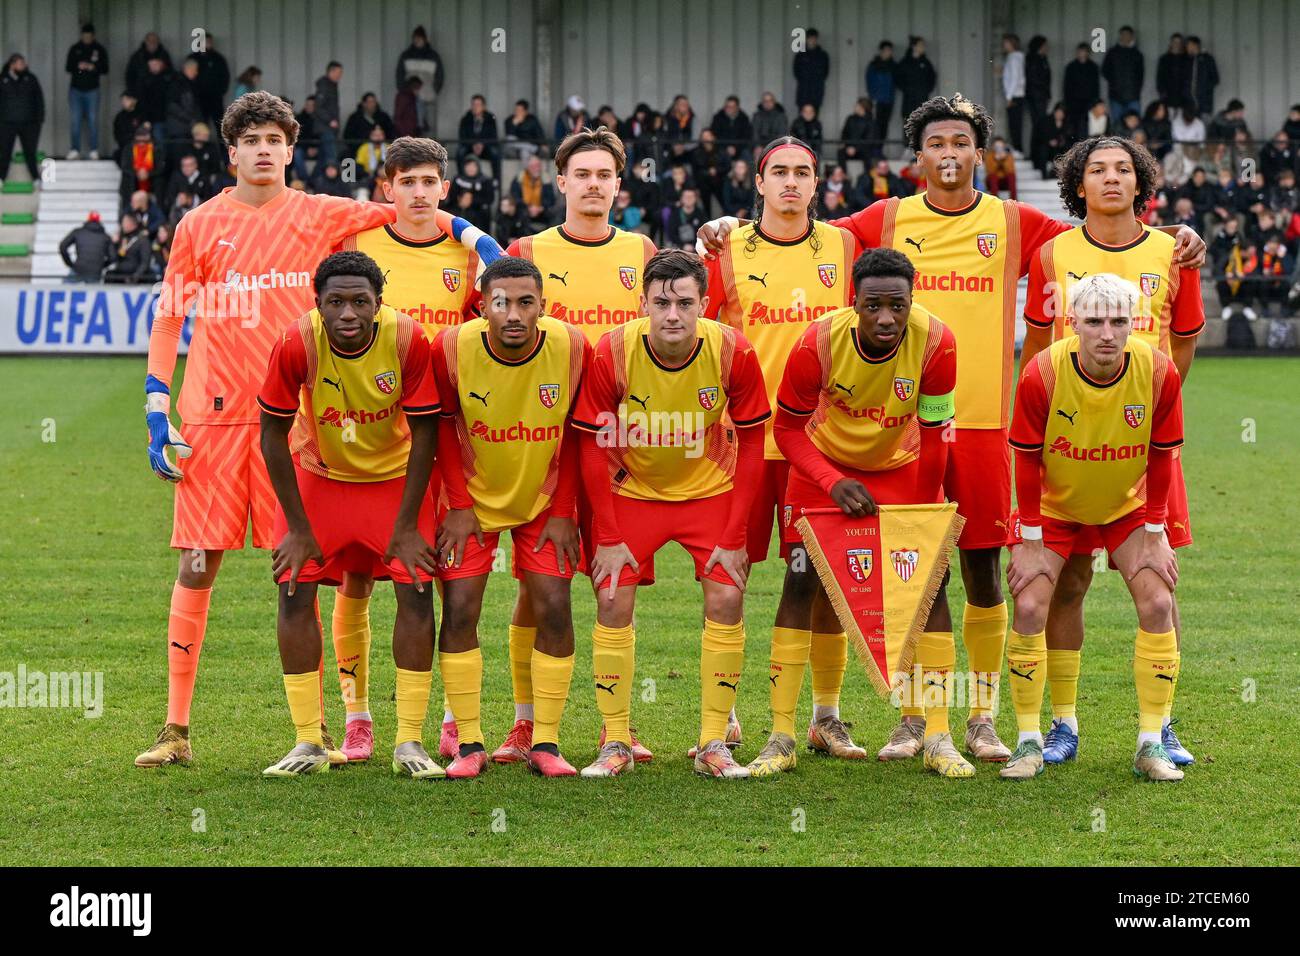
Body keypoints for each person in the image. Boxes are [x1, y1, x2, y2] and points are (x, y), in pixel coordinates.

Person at [696, 93, 1205, 768]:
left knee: (985, 574)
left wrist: (1179, 245)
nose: (949, 154)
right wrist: (729, 227)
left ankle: (983, 719)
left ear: (979, 153)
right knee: (915, 572)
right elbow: (801, 234)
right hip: (908, 431)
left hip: (997, 428)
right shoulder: (884, 219)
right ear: (920, 154)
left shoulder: (1017, 222)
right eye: (936, 143)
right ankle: (914, 718)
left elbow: (1103, 241)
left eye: (961, 143)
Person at [133, 90, 398, 769]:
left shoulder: (321, 214)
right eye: (250, 139)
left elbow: (414, 215)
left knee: (301, 575)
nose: (263, 149)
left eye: (274, 139)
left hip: (296, 427)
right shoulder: (198, 225)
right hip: (211, 423)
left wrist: (482, 242)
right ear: (232, 152)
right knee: (197, 566)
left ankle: (316, 735)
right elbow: (168, 319)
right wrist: (156, 405)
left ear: (290, 149)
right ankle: (176, 731)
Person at [1021, 136, 1204, 767]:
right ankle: (1062, 725)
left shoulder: (1174, 249)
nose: (1110, 179)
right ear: (1077, 184)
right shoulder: (1052, 254)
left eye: (1123, 169)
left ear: (1140, 181)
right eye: (1097, 170)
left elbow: (1182, 342)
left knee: (1158, 583)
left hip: (1139, 437)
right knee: (1067, 581)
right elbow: (1037, 350)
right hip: (1069, 439)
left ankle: (1164, 725)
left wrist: (1151, 400)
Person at [573, 249, 770, 777]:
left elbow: (753, 445)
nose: (673, 315)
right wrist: (608, 536)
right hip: (632, 491)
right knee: (612, 599)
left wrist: (735, 534)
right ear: (643, 304)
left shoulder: (733, 350)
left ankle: (713, 742)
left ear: (705, 303)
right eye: (661, 303)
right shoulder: (612, 351)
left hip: (710, 489)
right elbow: (590, 445)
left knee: (727, 595)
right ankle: (615, 743)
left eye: (685, 302)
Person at [774, 246, 966, 775]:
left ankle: (935, 733)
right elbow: (786, 430)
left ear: (912, 301)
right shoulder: (816, 342)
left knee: (929, 586)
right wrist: (831, 482)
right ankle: (789, 732)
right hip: (823, 470)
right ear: (853, 302)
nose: (887, 318)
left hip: (903, 467)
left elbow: (935, 435)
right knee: (801, 581)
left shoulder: (938, 343)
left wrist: (927, 515)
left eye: (898, 306)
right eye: (874, 305)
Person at [700, 136, 860, 773]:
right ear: (759, 183)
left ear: (816, 184)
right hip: (741, 443)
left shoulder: (845, 248)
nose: (791, 183)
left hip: (818, 446)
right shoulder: (725, 247)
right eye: (779, 173)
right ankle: (726, 711)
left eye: (803, 173)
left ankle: (825, 714)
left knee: (817, 576)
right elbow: (702, 338)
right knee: (728, 575)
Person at [500, 127, 658, 764]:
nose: (594, 184)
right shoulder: (527, 249)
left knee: (614, 581)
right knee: (537, 590)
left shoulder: (641, 250)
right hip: (543, 444)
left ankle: (615, 727)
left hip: (619, 445)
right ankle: (523, 723)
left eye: (604, 175)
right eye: (582, 174)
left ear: (619, 185)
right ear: (560, 182)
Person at [257, 251, 442, 777]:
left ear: (379, 303)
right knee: (293, 586)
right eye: (334, 302)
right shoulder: (297, 340)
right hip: (323, 477)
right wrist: (296, 526)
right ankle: (308, 742)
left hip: (393, 481)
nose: (347, 314)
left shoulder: (408, 339)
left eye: (360, 301)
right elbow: (271, 431)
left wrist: (407, 526)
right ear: (317, 304)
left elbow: (427, 431)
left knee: (416, 587)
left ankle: (410, 742)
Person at [1004, 272, 1186, 782]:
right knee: (1030, 603)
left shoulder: (1157, 372)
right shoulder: (1041, 373)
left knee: (1158, 601)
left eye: (1119, 321)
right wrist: (1031, 541)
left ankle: (1153, 742)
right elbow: (1025, 460)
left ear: (1133, 325)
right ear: (1073, 323)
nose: (1107, 332)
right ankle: (1032, 739)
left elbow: (1163, 455)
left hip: (1126, 507)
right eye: (1095, 321)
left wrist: (1155, 531)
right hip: (1054, 508)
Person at [430, 255, 590, 778]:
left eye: (526, 302)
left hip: (543, 501)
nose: (514, 313)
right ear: (482, 306)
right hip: (470, 501)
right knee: (459, 609)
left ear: (544, 306)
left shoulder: (570, 347)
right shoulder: (452, 347)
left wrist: (564, 510)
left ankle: (544, 740)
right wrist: (457, 504)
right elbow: (443, 426)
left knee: (555, 605)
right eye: (501, 303)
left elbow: (576, 432)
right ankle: (470, 742)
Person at [65, 22, 108, 160]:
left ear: (93, 36)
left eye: (89, 36)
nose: (87, 38)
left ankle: (94, 149)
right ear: (81, 35)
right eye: (84, 36)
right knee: (75, 120)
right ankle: (75, 149)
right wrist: (79, 66)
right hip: (76, 90)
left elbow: (105, 69)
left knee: (92, 120)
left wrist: (92, 67)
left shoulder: (99, 49)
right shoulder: (75, 48)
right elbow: (68, 67)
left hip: (92, 90)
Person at [0, 54, 44, 185]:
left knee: (30, 152)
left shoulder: (31, 79)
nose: (23, 65)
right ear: (12, 64)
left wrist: (39, 119)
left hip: (29, 123)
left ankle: (36, 178)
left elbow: (39, 100)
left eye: (24, 63)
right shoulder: (2, 79)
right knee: (5, 152)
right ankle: (1, 177)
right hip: (7, 123)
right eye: (20, 63)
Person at [393, 26, 443, 135]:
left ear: (425, 39)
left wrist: (434, 91)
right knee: (410, 129)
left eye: (419, 38)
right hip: (410, 99)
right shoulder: (406, 55)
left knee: (428, 130)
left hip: (427, 97)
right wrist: (404, 91)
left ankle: (430, 151)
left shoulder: (433, 56)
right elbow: (399, 74)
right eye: (415, 38)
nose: (417, 41)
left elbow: (440, 76)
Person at [1102, 26, 1144, 129]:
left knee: (1135, 125)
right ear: (1120, 36)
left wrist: (1135, 90)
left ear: (1131, 37)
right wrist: (1115, 83)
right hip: (1115, 96)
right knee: (1117, 125)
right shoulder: (1112, 52)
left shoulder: (1137, 54)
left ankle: (1132, 145)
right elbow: (1105, 70)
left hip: (1133, 96)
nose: (1125, 37)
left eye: (1127, 35)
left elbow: (1140, 75)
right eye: (1123, 35)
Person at [457, 94, 500, 182]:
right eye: (473, 104)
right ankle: (461, 178)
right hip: (470, 147)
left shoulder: (490, 118)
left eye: (478, 105)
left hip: (485, 147)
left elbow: (493, 136)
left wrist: (482, 144)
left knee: (495, 153)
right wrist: (473, 144)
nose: (475, 107)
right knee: (460, 152)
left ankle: (496, 180)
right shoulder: (466, 118)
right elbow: (462, 136)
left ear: (484, 107)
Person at [191, 34, 229, 134]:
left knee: (220, 126)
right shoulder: (193, 58)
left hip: (215, 99)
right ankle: (202, 149)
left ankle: (222, 149)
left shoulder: (218, 59)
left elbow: (225, 77)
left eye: (209, 42)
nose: (207, 44)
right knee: (201, 126)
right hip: (198, 100)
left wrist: (220, 92)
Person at [59, 211, 112, 281]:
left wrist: (70, 264)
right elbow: (113, 257)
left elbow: (62, 246)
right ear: (99, 221)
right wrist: (102, 266)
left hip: (78, 269)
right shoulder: (106, 237)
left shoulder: (78, 232)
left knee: (66, 290)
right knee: (92, 292)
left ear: (88, 219)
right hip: (95, 272)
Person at [895, 37, 937, 125]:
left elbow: (932, 76)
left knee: (922, 124)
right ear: (914, 47)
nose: (923, 48)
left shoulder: (925, 62)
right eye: (920, 45)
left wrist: (927, 89)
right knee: (908, 123)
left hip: (922, 98)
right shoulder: (905, 62)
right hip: (909, 100)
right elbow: (897, 78)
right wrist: (906, 89)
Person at [103, 213, 153, 282]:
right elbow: (114, 258)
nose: (122, 225)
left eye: (124, 222)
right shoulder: (123, 239)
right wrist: (114, 244)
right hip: (120, 274)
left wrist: (135, 277)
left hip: (134, 276)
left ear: (132, 224)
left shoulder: (143, 240)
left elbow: (145, 263)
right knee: (108, 275)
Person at [1063, 44, 1100, 138]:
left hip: (1089, 102)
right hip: (1074, 102)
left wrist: (1095, 103)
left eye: (1084, 52)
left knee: (1087, 127)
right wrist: (1067, 102)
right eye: (1079, 52)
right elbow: (1066, 86)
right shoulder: (1071, 67)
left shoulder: (1093, 67)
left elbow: (1096, 86)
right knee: (1074, 126)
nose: (1081, 54)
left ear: (1088, 53)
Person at [344, 92, 396, 158]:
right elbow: (348, 136)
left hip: (381, 149)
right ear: (363, 103)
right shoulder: (354, 118)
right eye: (369, 102)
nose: (372, 104)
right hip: (359, 150)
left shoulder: (383, 117)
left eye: (373, 102)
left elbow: (391, 133)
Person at [510, 154, 556, 225]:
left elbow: (551, 199)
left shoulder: (546, 179)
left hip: (541, 210)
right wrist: (528, 208)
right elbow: (515, 197)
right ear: (528, 167)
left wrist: (541, 208)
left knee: (555, 214)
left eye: (538, 166)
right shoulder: (519, 179)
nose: (536, 169)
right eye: (533, 166)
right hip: (524, 209)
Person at [866, 41, 897, 144]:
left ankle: (880, 148)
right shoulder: (874, 65)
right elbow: (869, 82)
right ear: (881, 51)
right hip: (877, 100)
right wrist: (873, 96)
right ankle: (874, 148)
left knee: (885, 124)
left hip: (889, 100)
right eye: (886, 50)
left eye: (890, 51)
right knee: (876, 124)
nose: (888, 53)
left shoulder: (894, 66)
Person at [1000, 34, 1026, 156]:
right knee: (1014, 122)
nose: (1004, 45)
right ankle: (1016, 147)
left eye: (1006, 43)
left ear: (1012, 44)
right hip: (1014, 95)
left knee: (1015, 123)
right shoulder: (1013, 57)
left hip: (1015, 95)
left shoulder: (1014, 58)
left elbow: (1015, 78)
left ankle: (1017, 148)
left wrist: (1009, 96)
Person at [793, 28, 830, 110]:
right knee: (802, 117)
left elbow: (825, 72)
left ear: (816, 39)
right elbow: (796, 72)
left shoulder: (823, 55)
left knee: (814, 116)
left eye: (814, 38)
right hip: (803, 92)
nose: (812, 41)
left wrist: (817, 81)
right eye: (809, 38)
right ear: (806, 39)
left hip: (816, 92)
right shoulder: (800, 55)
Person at [1025, 37, 1052, 147]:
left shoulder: (1043, 58)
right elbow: (1034, 79)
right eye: (1045, 45)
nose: (1047, 48)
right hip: (1036, 96)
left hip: (1042, 96)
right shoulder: (1033, 59)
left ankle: (1040, 150)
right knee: (1039, 124)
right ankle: (1037, 151)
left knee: (1040, 124)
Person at [315, 61, 342, 166]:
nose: (340, 76)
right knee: (331, 156)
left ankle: (315, 180)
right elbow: (318, 107)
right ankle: (332, 181)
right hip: (325, 127)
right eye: (338, 72)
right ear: (331, 71)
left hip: (329, 128)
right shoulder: (324, 86)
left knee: (323, 157)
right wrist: (330, 120)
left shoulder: (332, 85)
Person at [1184, 37, 1219, 118]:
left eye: (1188, 45)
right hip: (1188, 104)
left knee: (1203, 126)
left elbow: (1215, 79)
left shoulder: (1207, 59)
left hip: (1204, 103)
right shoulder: (1186, 60)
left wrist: (1202, 90)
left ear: (1195, 45)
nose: (1187, 48)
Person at [838, 97, 876, 170]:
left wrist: (856, 149)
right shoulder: (850, 119)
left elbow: (869, 140)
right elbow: (844, 133)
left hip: (863, 149)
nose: (855, 107)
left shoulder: (871, 122)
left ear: (862, 108)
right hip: (849, 148)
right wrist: (846, 145)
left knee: (868, 156)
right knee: (840, 152)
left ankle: (868, 177)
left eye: (857, 105)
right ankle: (843, 176)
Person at [1156, 34, 1189, 108]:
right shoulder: (1164, 59)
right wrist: (1162, 92)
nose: (1177, 45)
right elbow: (1159, 77)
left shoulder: (1187, 59)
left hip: (1183, 97)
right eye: (1174, 42)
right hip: (1168, 96)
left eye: (1179, 42)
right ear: (1171, 43)